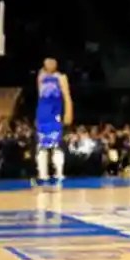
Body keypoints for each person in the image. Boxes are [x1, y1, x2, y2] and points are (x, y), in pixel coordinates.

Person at [34, 58, 73, 189]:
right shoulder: (41, 77)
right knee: (41, 145)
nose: (49, 65)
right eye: (46, 63)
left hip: (55, 112)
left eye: (51, 63)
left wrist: (68, 113)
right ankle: (42, 174)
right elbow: (40, 95)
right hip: (43, 113)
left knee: (56, 144)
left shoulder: (61, 77)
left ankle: (59, 173)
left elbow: (67, 96)